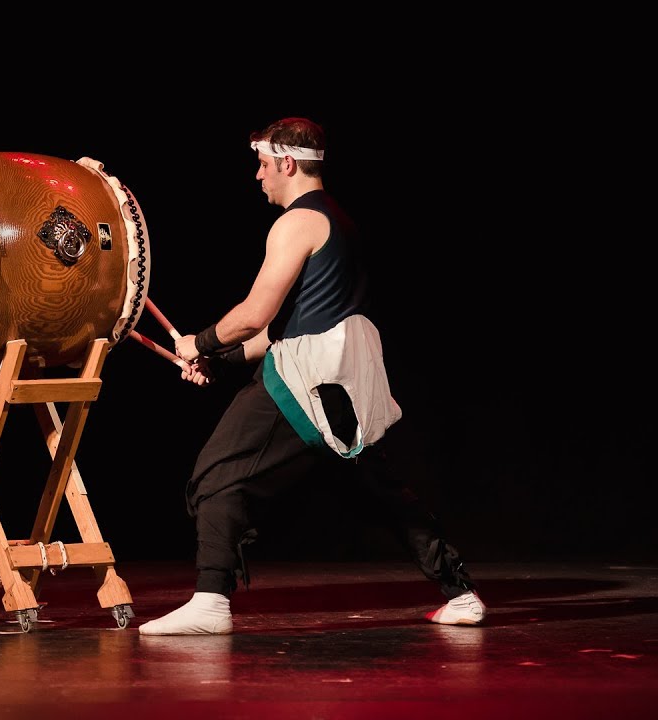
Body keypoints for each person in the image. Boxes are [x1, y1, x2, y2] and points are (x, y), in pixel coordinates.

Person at [137, 117, 485, 635]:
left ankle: (211, 601)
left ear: (286, 162)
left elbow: (255, 314)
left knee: (215, 474)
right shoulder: (338, 221)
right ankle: (461, 594)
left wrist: (200, 342)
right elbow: (282, 328)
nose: (257, 177)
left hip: (307, 383)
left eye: (261, 165)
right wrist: (218, 361)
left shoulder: (296, 222)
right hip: (348, 380)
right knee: (378, 488)